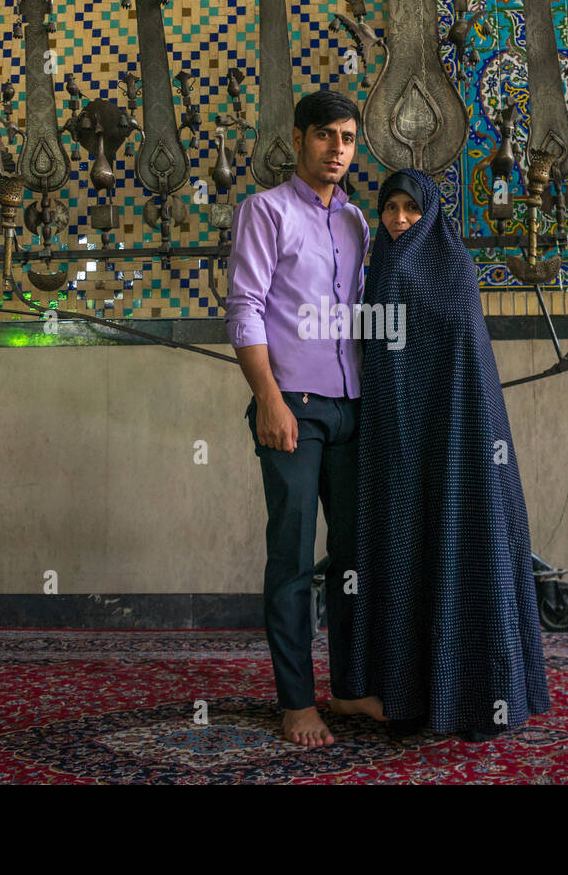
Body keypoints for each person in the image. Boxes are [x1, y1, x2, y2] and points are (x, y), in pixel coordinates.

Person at [343, 169, 552, 741]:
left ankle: (471, 696)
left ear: (432, 212)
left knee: (460, 547)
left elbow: (459, 351)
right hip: (396, 441)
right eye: (390, 208)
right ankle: (402, 696)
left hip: (458, 438)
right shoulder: (379, 266)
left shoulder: (452, 266)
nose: (400, 219)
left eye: (412, 208)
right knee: (405, 554)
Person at [224, 89, 383, 748]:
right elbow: (244, 307)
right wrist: (269, 397)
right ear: (299, 139)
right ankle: (296, 701)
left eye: (347, 138)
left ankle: (347, 688)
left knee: (352, 557)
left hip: (354, 410)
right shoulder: (264, 211)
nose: (337, 149)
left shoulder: (357, 222)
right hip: (295, 409)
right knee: (291, 558)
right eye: (325, 136)